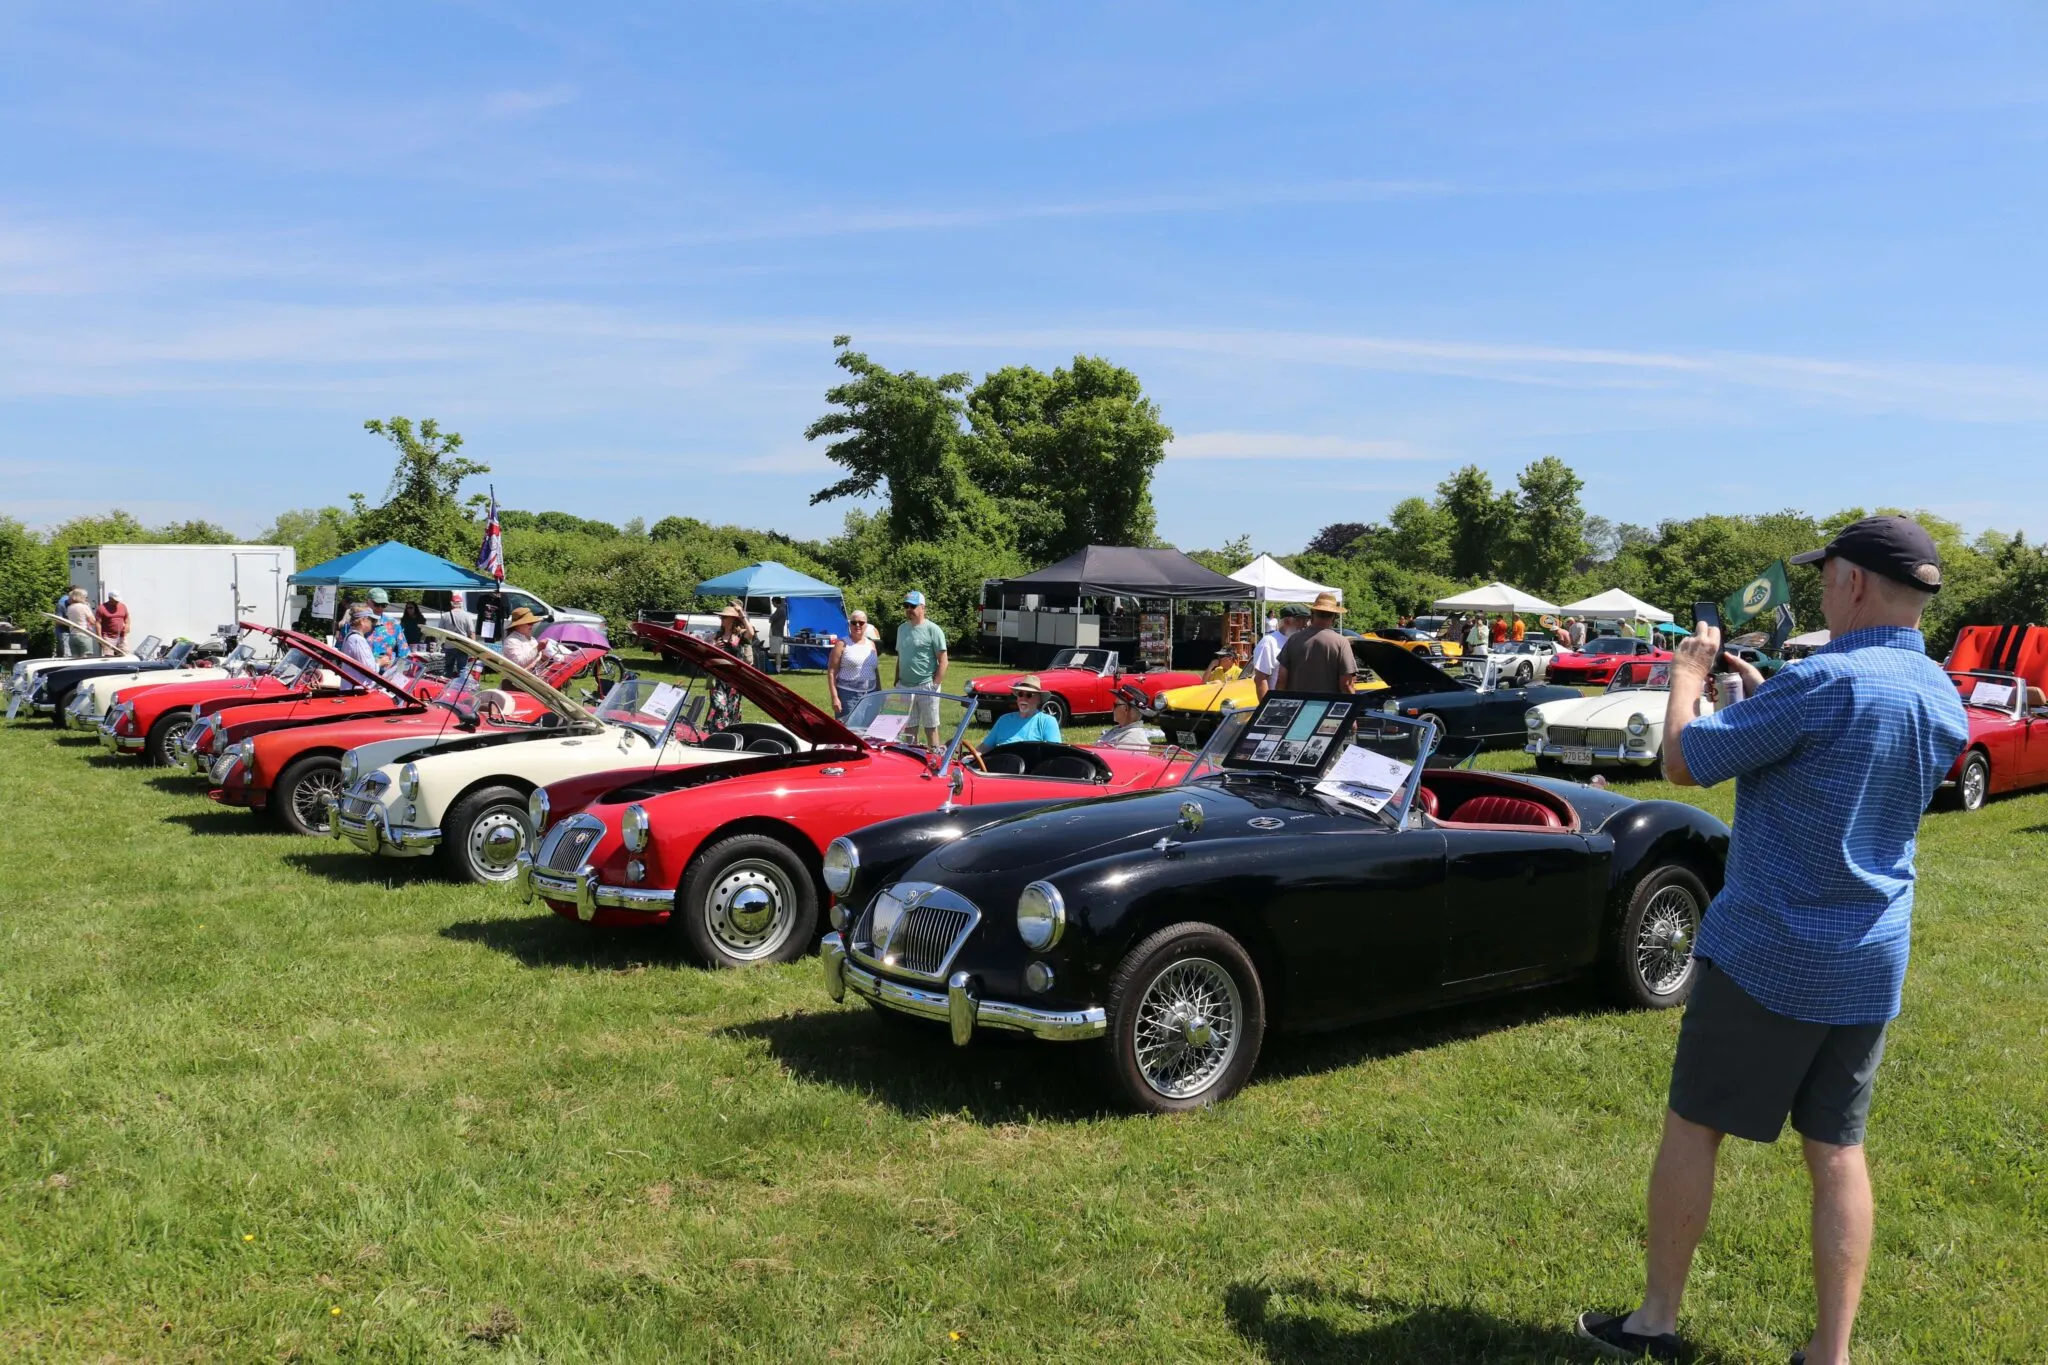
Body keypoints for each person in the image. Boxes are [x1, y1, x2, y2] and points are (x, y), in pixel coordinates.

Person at [1577, 516, 1969, 1365]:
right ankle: (1830, 1353)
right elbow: (1835, 763)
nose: (1819, 587)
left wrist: (1688, 676)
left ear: (1855, 582)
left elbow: (1683, 759)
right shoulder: (1942, 692)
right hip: (1869, 955)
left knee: (1693, 1126)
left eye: (1825, 573)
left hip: (1771, 949)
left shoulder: (1823, 679)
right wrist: (1757, 699)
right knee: (1838, 1149)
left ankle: (1654, 1323)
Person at [893, 590, 948, 746]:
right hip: (904, 686)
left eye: (913, 606)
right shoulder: (901, 629)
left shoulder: (933, 629)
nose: (909, 609)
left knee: (930, 728)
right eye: (906, 606)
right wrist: (896, 681)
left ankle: (935, 762)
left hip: (927, 685)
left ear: (923, 608)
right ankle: (914, 763)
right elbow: (901, 656)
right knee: (909, 730)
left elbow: (943, 661)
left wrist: (934, 685)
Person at [1274, 592, 1356, 694]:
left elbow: (1281, 680)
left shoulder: (1293, 639)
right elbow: (1346, 685)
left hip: (1296, 706)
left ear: (1312, 614)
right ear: (1334, 617)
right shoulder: (1341, 642)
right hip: (1328, 707)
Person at [705, 604, 754, 731]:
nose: (722, 620)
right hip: (718, 678)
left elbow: (751, 633)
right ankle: (717, 733)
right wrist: (714, 647)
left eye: (724, 618)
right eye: (721, 618)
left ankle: (728, 733)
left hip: (734, 679)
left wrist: (742, 614)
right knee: (719, 706)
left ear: (733, 619)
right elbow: (706, 654)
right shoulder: (716, 636)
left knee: (732, 708)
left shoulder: (740, 636)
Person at [827, 610, 881, 718]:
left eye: (861, 623)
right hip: (848, 696)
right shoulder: (842, 644)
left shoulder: (871, 644)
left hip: (871, 694)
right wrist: (835, 698)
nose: (857, 625)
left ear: (866, 625)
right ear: (849, 625)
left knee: (868, 730)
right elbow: (832, 672)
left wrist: (879, 693)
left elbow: (875, 670)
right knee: (848, 730)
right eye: (854, 622)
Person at [985, 675, 1060, 746]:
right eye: (1020, 694)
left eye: (1029, 695)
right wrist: (974, 756)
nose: (1023, 699)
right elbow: (985, 746)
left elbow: (1054, 753)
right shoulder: (1003, 720)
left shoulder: (1047, 722)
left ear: (1038, 699)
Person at [1251, 605, 1307, 701]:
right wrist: (1266, 709)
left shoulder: (1299, 640)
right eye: (1301, 621)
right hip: (1278, 704)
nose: (1305, 625)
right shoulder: (1269, 642)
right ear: (1287, 621)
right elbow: (1260, 679)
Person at [1096, 684, 1158, 751]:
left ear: (1125, 708)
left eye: (1115, 705)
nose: (1112, 708)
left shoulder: (1133, 740)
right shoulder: (1119, 730)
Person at [363, 588, 410, 671]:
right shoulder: (355, 624)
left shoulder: (393, 624)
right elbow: (341, 651)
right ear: (367, 602)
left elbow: (404, 653)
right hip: (360, 676)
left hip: (386, 677)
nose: (380, 608)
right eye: (377, 604)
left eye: (383, 605)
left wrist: (398, 673)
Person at [500, 606, 547, 670]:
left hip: (534, 677)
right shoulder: (511, 641)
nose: (532, 625)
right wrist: (538, 649)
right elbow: (518, 663)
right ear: (519, 625)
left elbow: (537, 663)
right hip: (516, 679)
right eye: (529, 623)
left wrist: (544, 659)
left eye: (532, 623)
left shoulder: (532, 639)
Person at [340, 605, 379, 672]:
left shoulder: (350, 636)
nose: (373, 623)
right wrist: (380, 663)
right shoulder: (358, 640)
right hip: (357, 682)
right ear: (363, 620)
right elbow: (369, 669)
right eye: (372, 620)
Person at [62, 588, 98, 657]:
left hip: (72, 636)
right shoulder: (84, 607)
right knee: (84, 658)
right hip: (83, 635)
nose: (86, 598)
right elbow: (93, 621)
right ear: (81, 597)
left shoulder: (69, 607)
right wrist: (88, 607)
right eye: (85, 597)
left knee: (75, 658)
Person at [768, 597, 789, 671]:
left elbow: (771, 619)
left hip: (776, 634)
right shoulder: (781, 609)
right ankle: (778, 667)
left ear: (775, 602)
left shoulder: (780, 610)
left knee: (776, 653)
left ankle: (778, 669)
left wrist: (771, 617)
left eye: (772, 602)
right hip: (778, 634)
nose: (772, 604)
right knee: (776, 652)